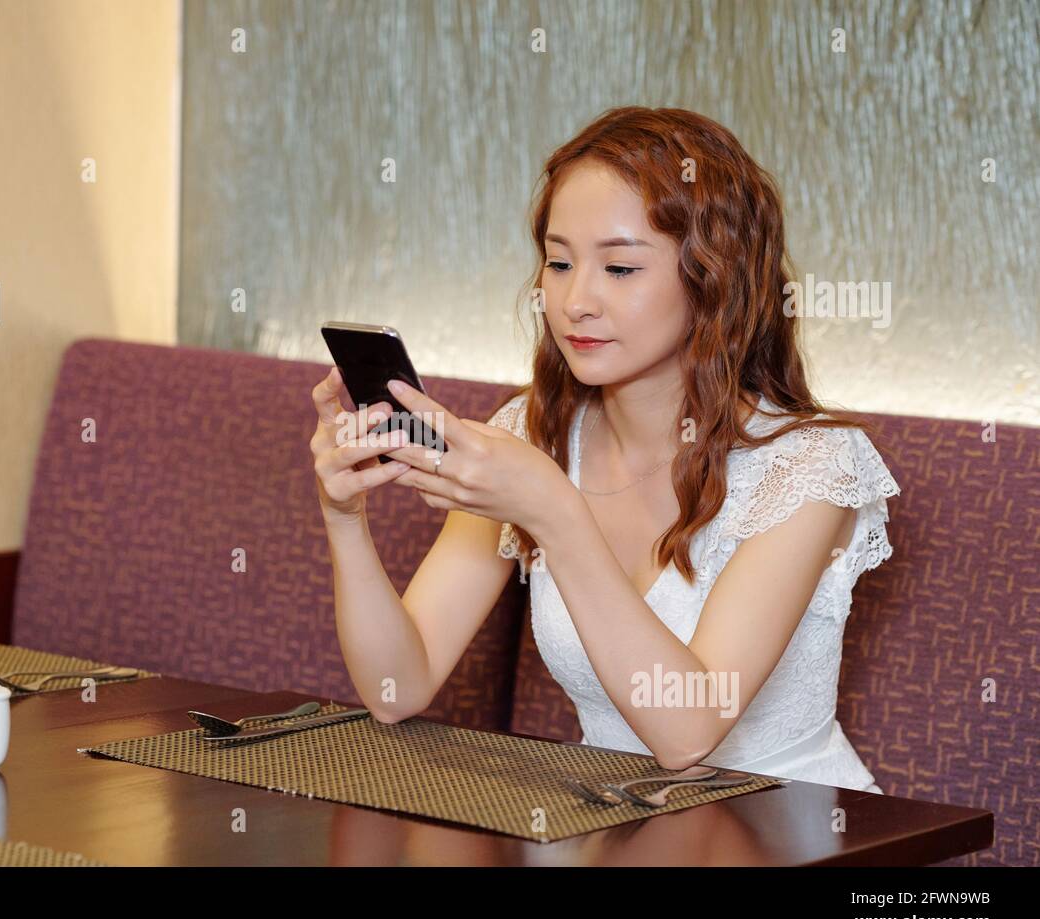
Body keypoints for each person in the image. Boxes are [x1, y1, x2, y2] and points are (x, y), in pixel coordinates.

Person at [309, 106, 899, 793]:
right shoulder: (532, 435)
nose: (575, 300)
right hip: (616, 826)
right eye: (559, 262)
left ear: (714, 278)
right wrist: (343, 518)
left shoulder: (812, 466)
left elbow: (690, 734)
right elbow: (395, 688)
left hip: (788, 829)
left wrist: (554, 511)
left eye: (619, 267)